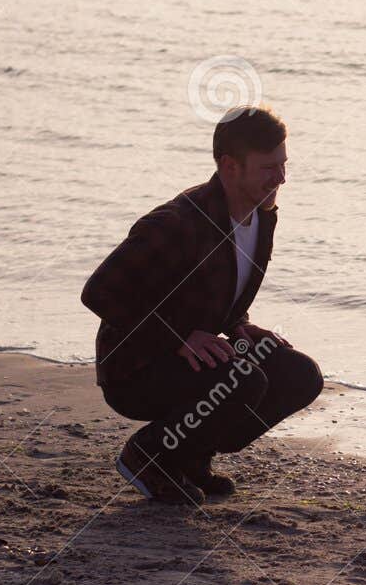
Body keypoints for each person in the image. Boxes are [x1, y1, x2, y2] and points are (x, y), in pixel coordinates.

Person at [80, 105, 322, 504]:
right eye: (268, 168)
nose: (281, 177)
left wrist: (239, 323)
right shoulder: (177, 222)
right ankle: (149, 454)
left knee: (298, 374)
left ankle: (190, 455)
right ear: (229, 167)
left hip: (194, 356)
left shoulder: (261, 213)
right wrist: (179, 337)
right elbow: (99, 291)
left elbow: (214, 287)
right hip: (136, 367)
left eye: (283, 164)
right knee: (244, 380)